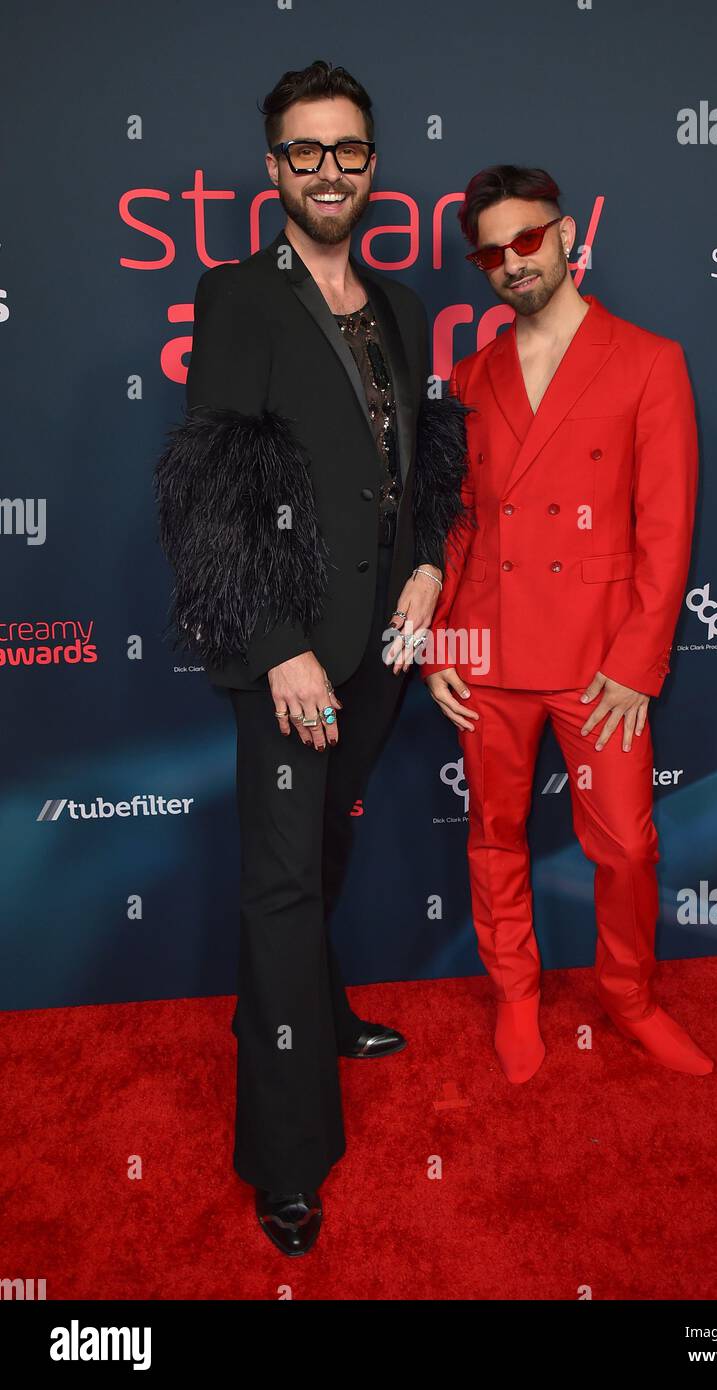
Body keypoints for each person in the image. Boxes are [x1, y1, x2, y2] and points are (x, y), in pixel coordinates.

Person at [155, 60, 467, 1255]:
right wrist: (278, 648)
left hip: (382, 645)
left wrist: (431, 563)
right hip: (288, 658)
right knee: (283, 889)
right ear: (274, 167)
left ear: (372, 165)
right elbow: (210, 497)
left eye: (348, 150)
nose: (328, 171)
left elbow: (419, 452)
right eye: (305, 152)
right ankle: (286, 1157)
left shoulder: (389, 299)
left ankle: (317, 1010)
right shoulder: (239, 294)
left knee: (325, 852)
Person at [421, 165, 713, 1084]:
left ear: (565, 236)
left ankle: (629, 997)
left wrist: (637, 663)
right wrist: (439, 648)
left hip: (599, 662)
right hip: (491, 649)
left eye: (526, 239)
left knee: (626, 845)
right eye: (490, 251)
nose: (511, 262)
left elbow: (665, 528)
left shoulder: (649, 360)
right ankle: (515, 993)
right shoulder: (468, 374)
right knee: (493, 835)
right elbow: (457, 524)